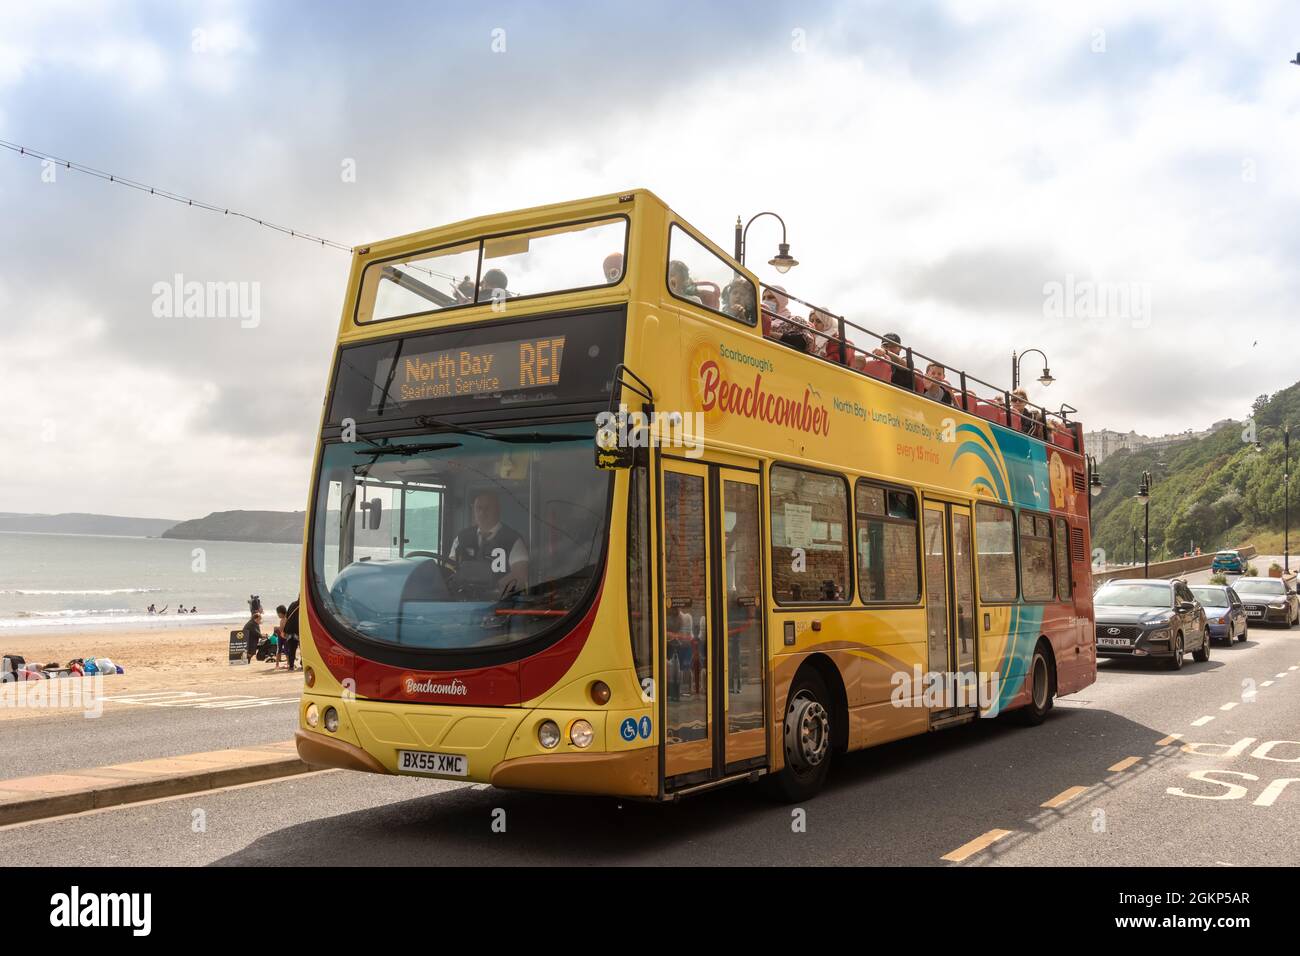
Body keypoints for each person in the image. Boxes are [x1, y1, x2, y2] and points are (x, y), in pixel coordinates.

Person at [447, 491, 530, 597]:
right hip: (462, 602)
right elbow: (449, 569)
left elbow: (520, 576)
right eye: (479, 508)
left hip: (499, 604)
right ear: (474, 511)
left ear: (498, 510)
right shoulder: (462, 538)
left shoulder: (513, 540)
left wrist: (491, 590)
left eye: (488, 508)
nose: (482, 512)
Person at [282, 599, 301, 672]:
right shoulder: (304, 604)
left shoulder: (292, 604)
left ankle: (291, 666)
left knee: (292, 649)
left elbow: (287, 617)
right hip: (298, 630)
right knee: (303, 648)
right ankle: (303, 664)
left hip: (289, 630)